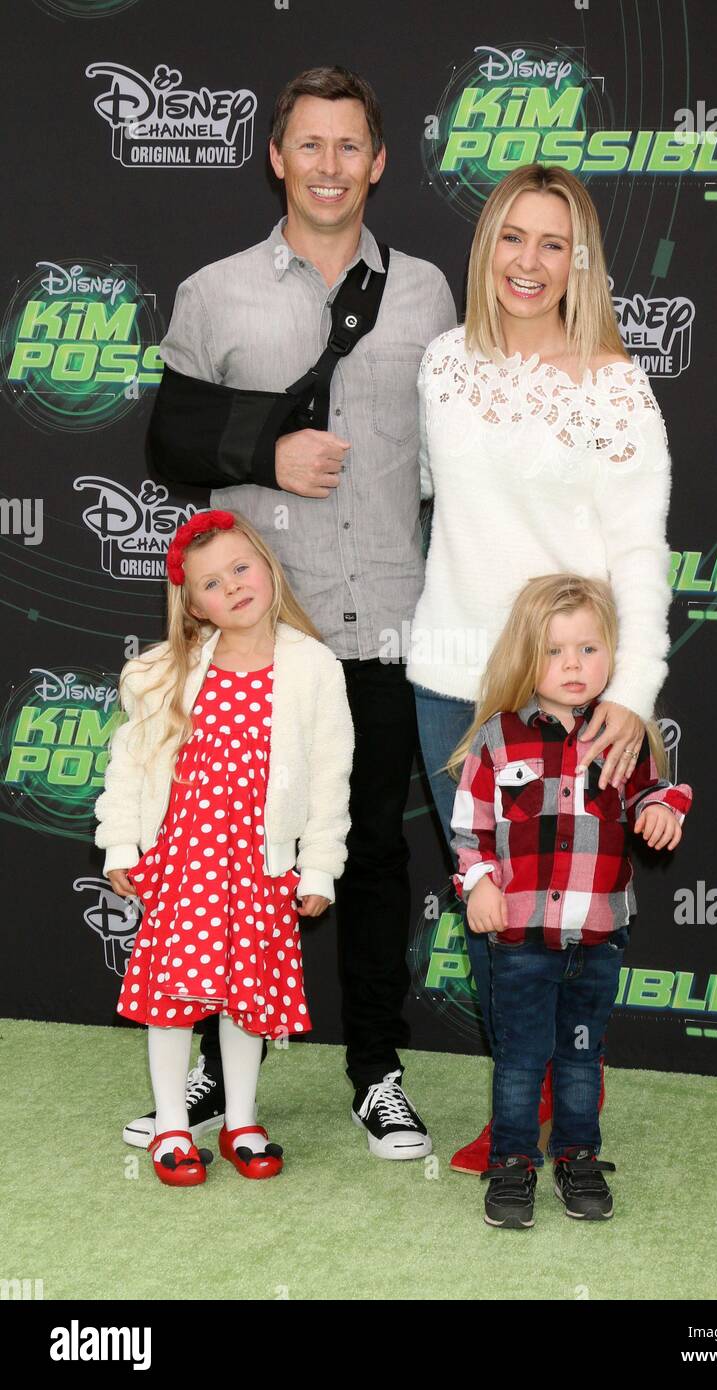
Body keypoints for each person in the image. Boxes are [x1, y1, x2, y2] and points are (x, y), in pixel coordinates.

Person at [125, 65, 457, 1160]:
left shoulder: (425, 292)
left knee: (365, 857)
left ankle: (377, 1071)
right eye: (307, 145)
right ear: (276, 156)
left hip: (386, 625)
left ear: (377, 161)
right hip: (254, 641)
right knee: (225, 861)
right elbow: (167, 443)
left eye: (347, 146)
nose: (327, 166)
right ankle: (219, 1079)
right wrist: (265, 452)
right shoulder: (215, 290)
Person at [409, 162, 674, 1172]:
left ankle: (573, 1100)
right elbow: (437, 502)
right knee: (491, 911)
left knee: (565, 921)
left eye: (551, 243)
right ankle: (513, 1103)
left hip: (565, 692)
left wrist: (632, 694)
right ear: (487, 250)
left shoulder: (611, 383)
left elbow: (641, 551)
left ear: (579, 260)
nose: (528, 261)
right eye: (511, 238)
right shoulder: (440, 363)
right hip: (447, 678)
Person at [95, 510, 354, 1185]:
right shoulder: (163, 672)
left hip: (261, 866)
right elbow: (131, 766)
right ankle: (173, 1127)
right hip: (186, 865)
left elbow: (331, 776)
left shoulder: (314, 667)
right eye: (212, 582)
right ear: (191, 601)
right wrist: (121, 842)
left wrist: (321, 864)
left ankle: (241, 1118)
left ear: (267, 565)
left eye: (241, 567)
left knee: (247, 999)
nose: (233, 587)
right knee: (173, 999)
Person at [446, 574, 692, 1227]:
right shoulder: (499, 738)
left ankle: (578, 1158)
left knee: (582, 1057)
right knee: (522, 1057)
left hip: (597, 934)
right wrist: (480, 884)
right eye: (555, 652)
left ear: (613, 653)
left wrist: (663, 809)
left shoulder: (621, 733)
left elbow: (650, 793)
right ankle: (512, 1165)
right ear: (527, 657)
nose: (574, 666)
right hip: (522, 938)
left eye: (589, 649)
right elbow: (470, 831)